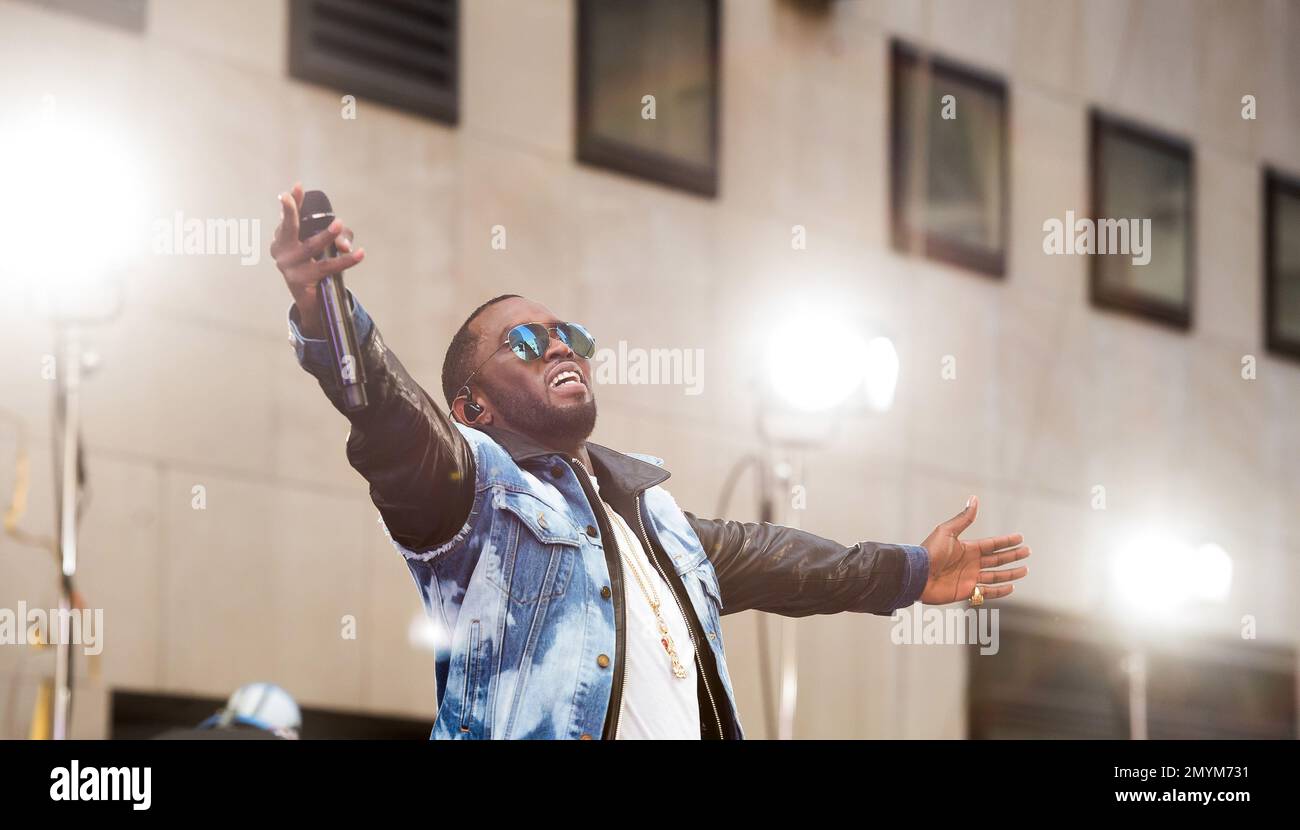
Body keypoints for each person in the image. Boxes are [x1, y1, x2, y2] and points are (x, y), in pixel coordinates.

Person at [270, 183, 1030, 740]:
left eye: (567, 333)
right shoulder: (474, 497)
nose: (561, 345)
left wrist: (911, 571)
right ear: (474, 409)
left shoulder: (653, 518)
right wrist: (324, 313)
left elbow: (786, 562)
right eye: (526, 343)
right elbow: (389, 415)